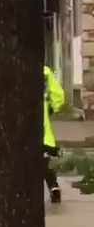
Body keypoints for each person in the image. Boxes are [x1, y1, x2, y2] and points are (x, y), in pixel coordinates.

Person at [44, 64, 65, 203]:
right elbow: (58, 95)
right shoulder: (44, 71)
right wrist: (52, 108)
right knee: (43, 159)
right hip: (41, 122)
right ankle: (53, 185)